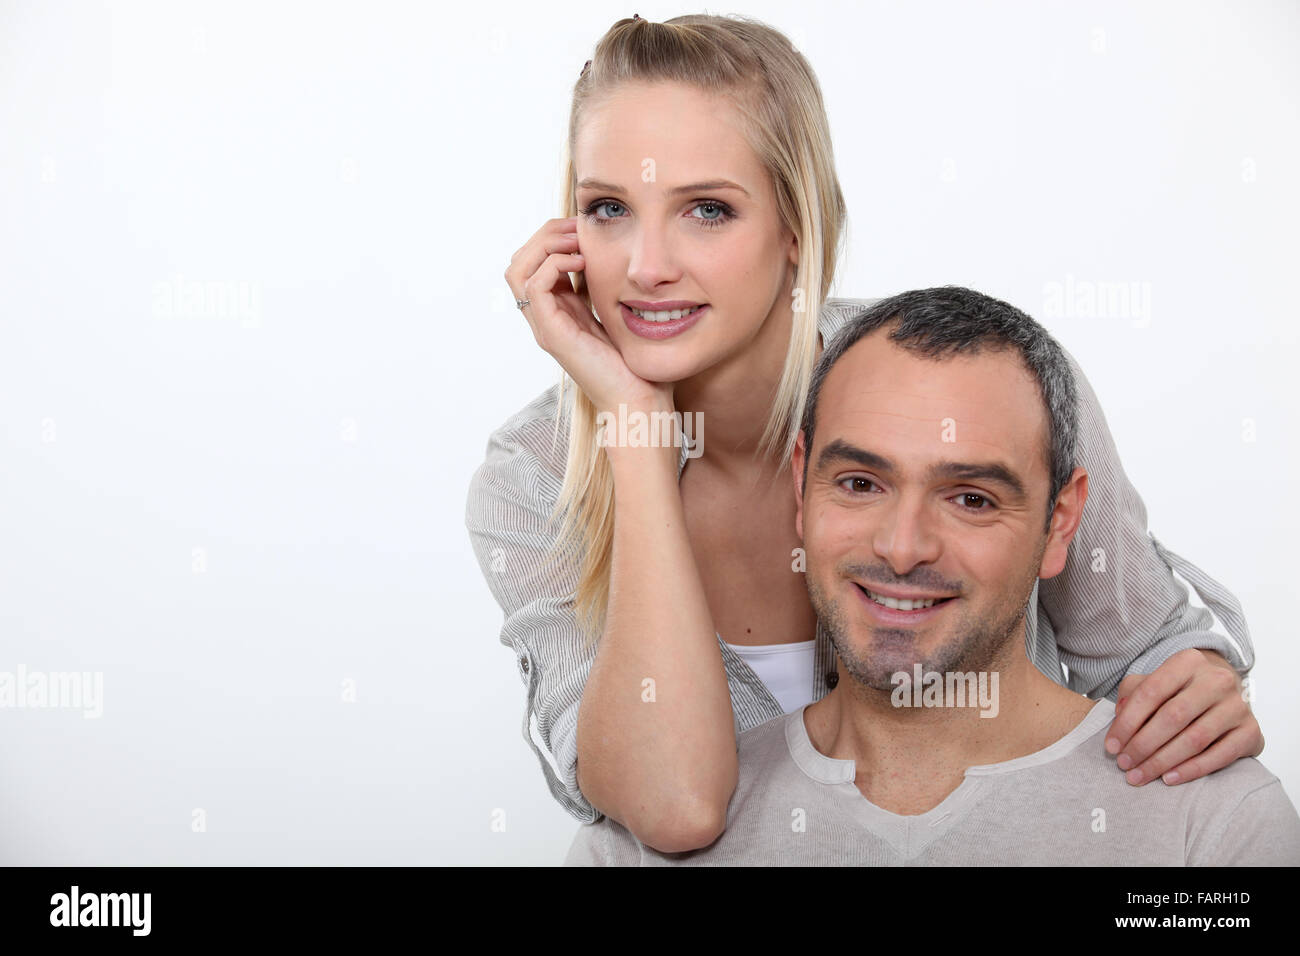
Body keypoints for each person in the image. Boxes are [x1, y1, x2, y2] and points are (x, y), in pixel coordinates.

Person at [466, 14, 1261, 854]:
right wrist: (633, 425)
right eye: (608, 209)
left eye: (706, 209)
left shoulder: (976, 384)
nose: (646, 265)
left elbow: (1150, 641)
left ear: (795, 229)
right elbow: (674, 808)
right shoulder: (532, 478)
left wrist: (1194, 680)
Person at [565, 286, 1299, 866]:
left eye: (971, 499)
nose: (903, 546)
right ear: (801, 488)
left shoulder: (1213, 829)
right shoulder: (637, 848)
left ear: (1062, 520)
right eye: (859, 484)